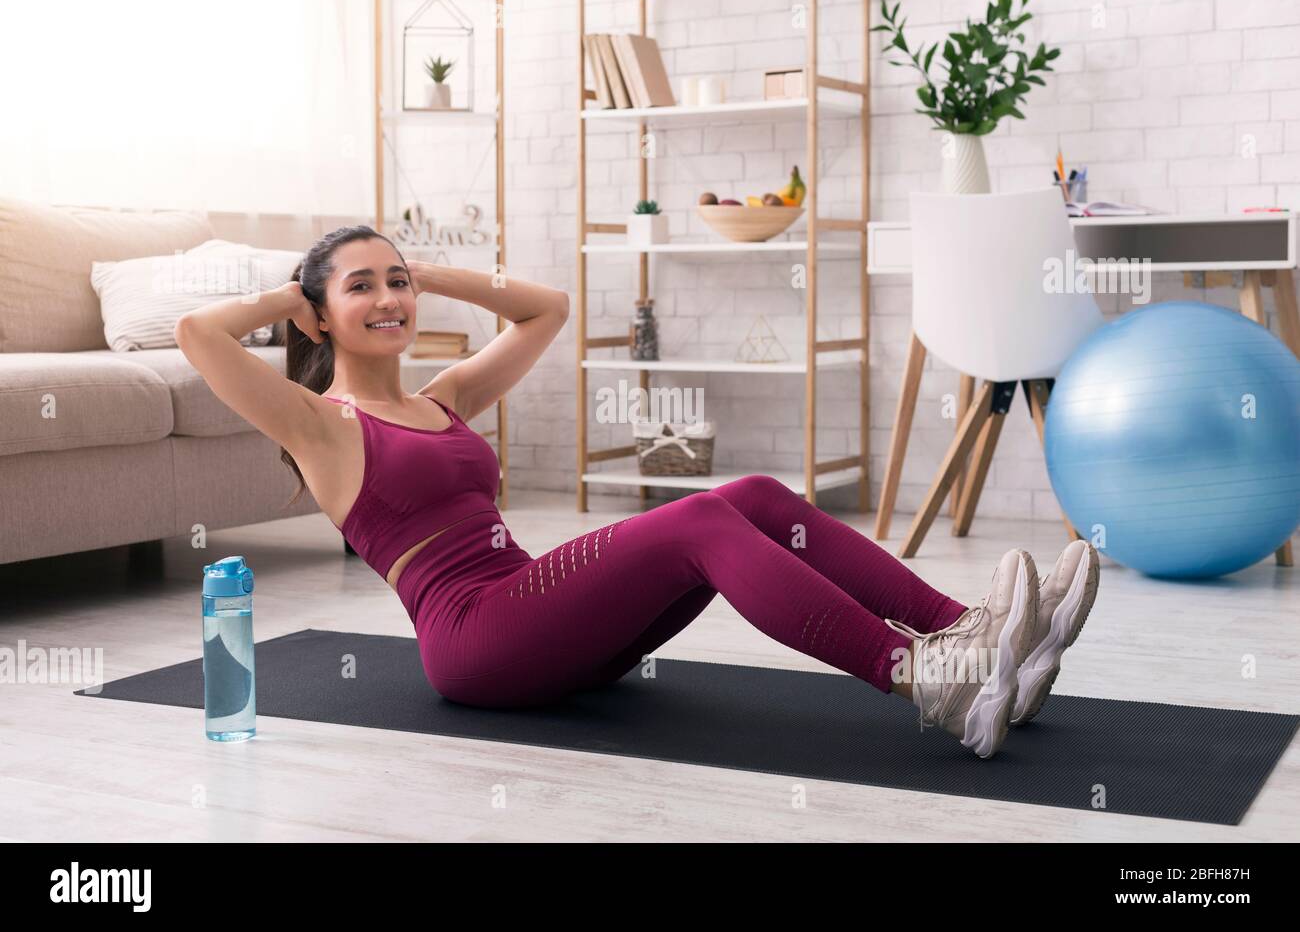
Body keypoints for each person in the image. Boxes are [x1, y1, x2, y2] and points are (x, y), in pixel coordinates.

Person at [176, 225, 1099, 759]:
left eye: (399, 284)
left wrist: (421, 270)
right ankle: (922, 680)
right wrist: (287, 293)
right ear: (320, 311)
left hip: (534, 614)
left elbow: (547, 308)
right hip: (476, 643)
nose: (390, 299)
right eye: (362, 288)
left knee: (757, 496)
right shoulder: (319, 424)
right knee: (699, 517)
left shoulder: (440, 399)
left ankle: (968, 635)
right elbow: (196, 333)